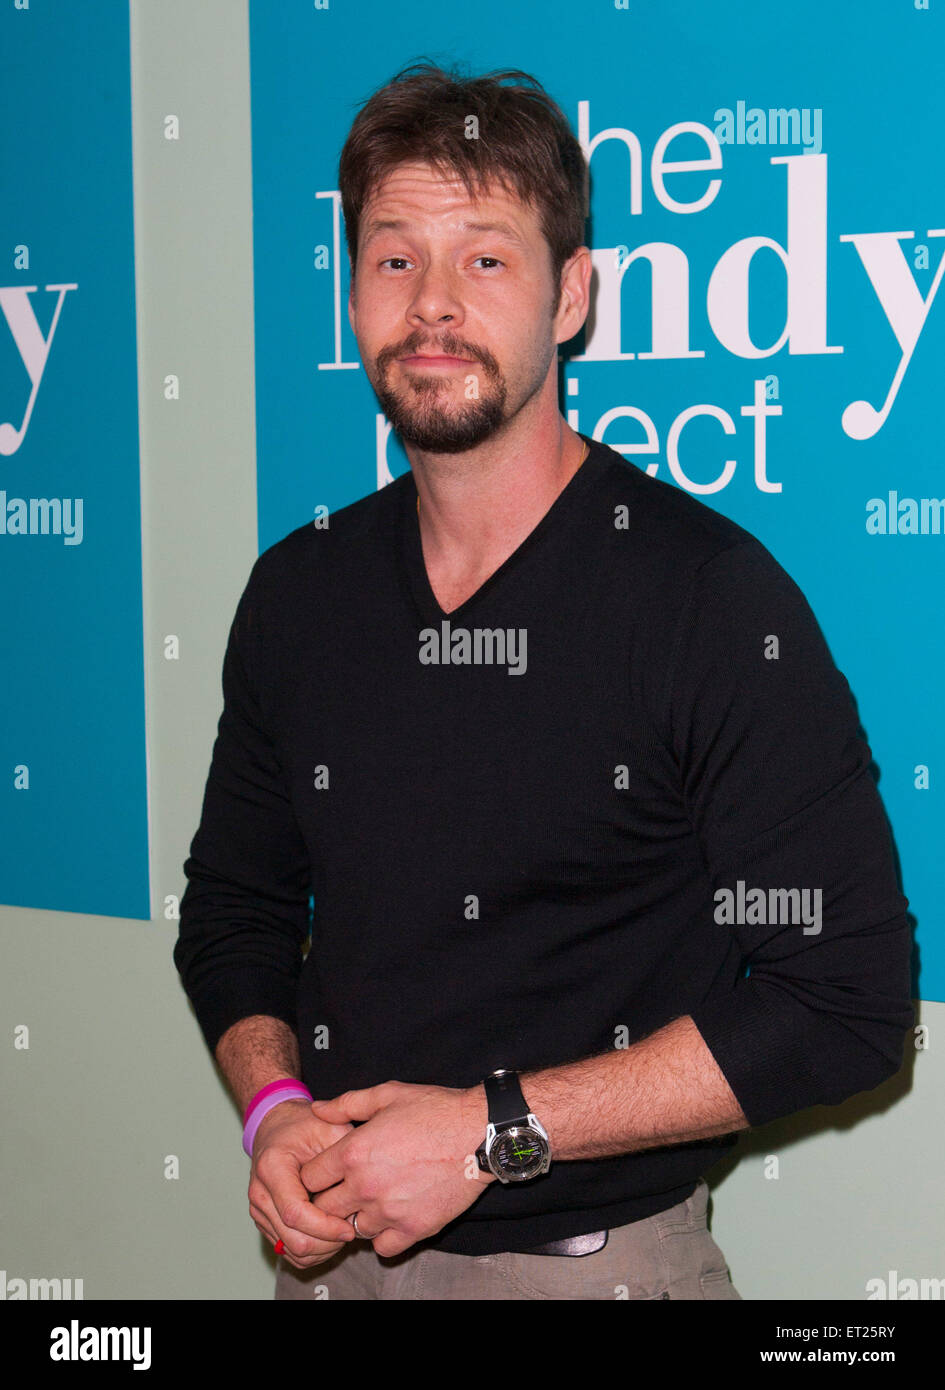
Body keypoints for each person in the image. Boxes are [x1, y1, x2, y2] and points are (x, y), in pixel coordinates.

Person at [173, 61, 914, 1301]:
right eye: (394, 257)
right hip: (332, 1265)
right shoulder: (297, 594)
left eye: (487, 258)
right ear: (351, 290)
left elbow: (845, 996)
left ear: (573, 294)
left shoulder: (707, 599)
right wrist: (276, 1111)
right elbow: (236, 911)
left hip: (597, 1271)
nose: (434, 304)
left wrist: (491, 1129)